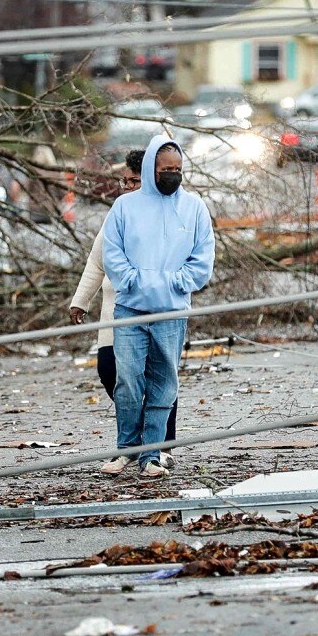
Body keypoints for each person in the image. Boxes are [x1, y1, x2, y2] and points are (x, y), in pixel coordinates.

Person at [98, 135, 214, 478]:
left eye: (178, 169)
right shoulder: (125, 207)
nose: (172, 174)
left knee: (164, 383)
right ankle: (126, 450)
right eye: (166, 169)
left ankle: (152, 454)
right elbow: (112, 254)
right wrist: (133, 282)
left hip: (172, 312)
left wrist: (176, 284)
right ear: (151, 168)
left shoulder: (194, 208)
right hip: (130, 310)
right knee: (128, 382)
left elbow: (202, 259)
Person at [69, 150, 178, 468]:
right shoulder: (117, 214)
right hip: (114, 312)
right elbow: (96, 259)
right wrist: (80, 300)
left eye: (134, 180)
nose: (128, 186)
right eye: (125, 181)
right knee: (110, 371)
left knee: (159, 378)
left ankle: (161, 447)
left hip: (155, 312)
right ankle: (136, 440)